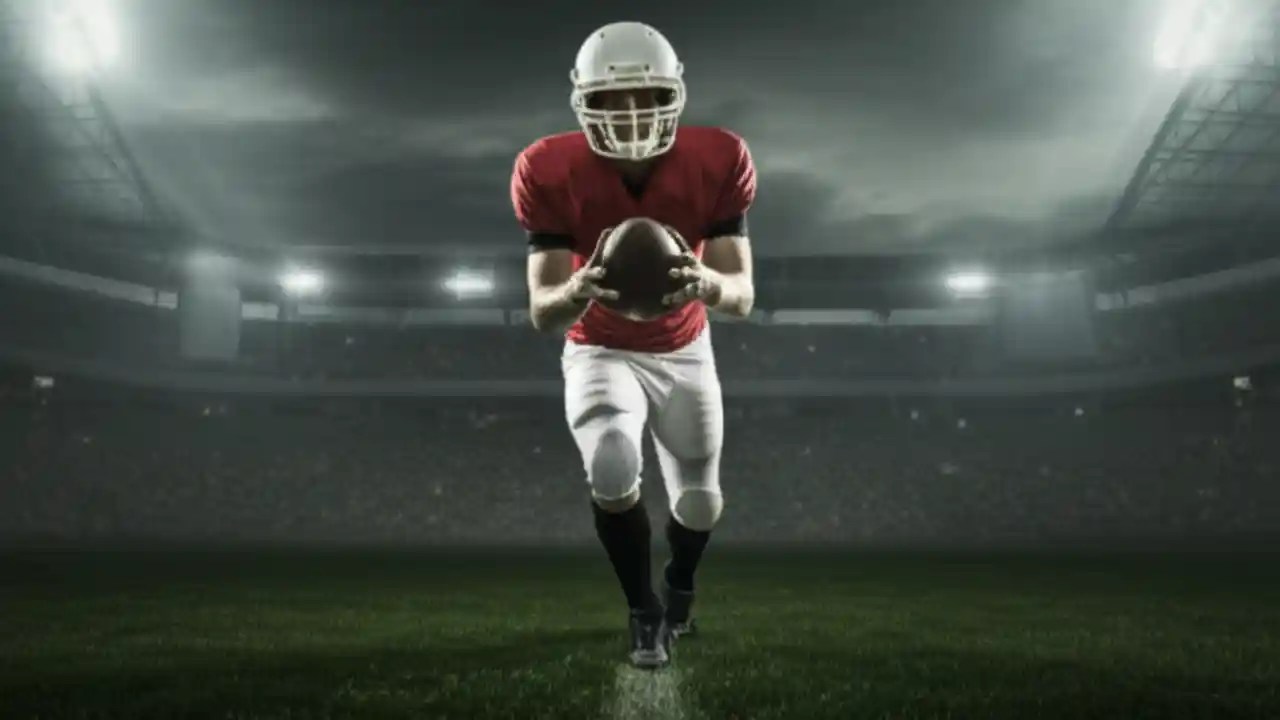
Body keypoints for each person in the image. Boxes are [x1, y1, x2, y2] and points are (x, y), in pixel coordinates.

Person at [510, 20, 756, 669]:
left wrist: (706, 282)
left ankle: (679, 583)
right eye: (610, 101)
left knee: (700, 501)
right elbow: (542, 313)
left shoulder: (719, 156)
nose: (630, 115)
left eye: (645, 97)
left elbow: (743, 296)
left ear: (673, 93)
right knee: (613, 461)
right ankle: (644, 612)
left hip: (685, 348)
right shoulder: (547, 166)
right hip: (602, 348)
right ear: (581, 101)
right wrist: (578, 291)